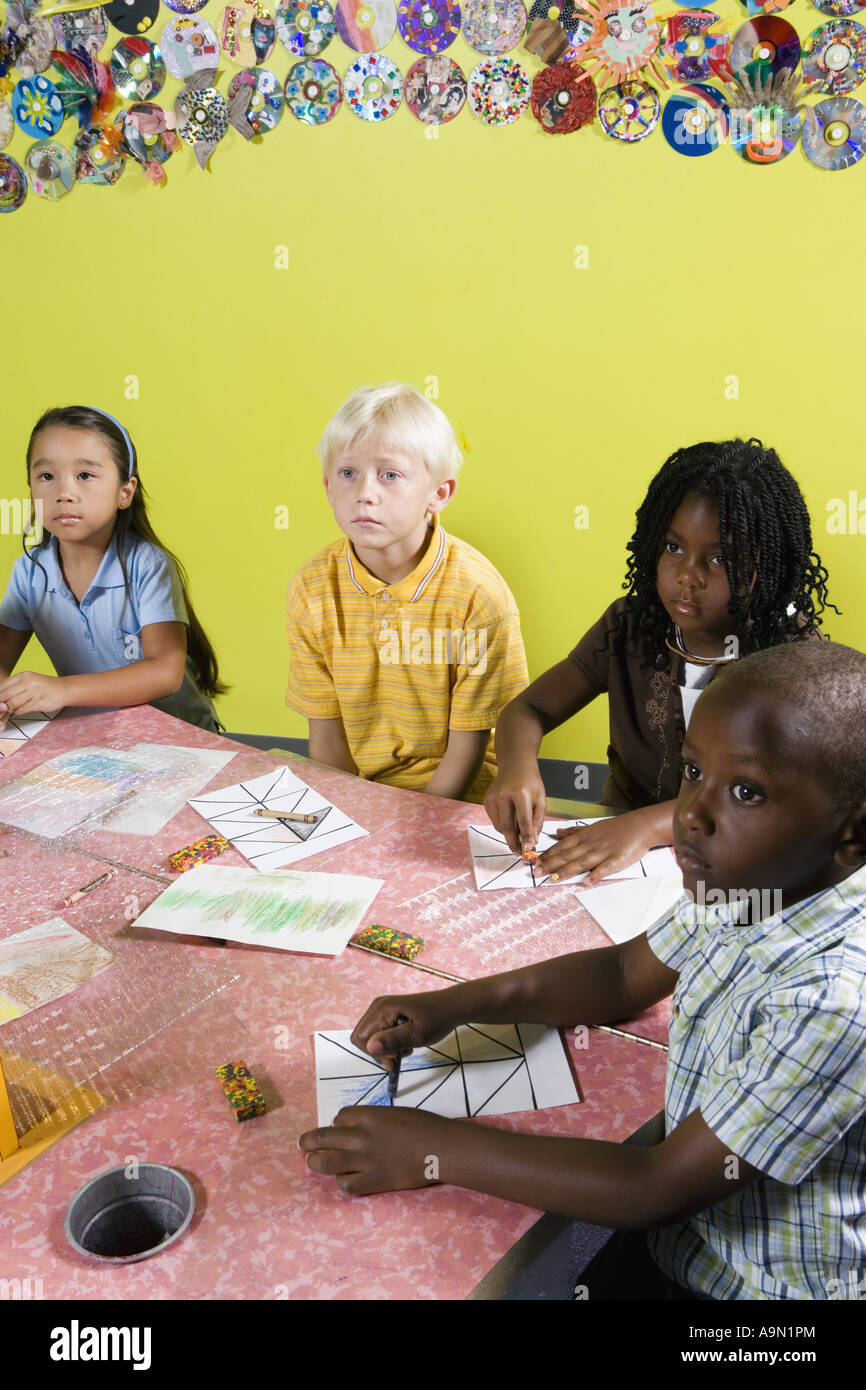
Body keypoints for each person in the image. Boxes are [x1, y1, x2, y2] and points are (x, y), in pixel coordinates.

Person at [300, 640, 866, 1300]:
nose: (691, 815)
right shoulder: (748, 880)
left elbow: (656, 1186)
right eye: (691, 771)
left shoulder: (835, 996)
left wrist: (434, 1151)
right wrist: (455, 1006)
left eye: (745, 791)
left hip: (757, 1294)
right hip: (685, 1242)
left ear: (854, 835)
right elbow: (624, 976)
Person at [485, 438, 834, 882]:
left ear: (766, 567)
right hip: (617, 847)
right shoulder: (631, 626)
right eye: (673, 548)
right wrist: (516, 766)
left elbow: (779, 792)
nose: (688, 574)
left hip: (739, 861)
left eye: (720, 558)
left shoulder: (792, 657)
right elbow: (528, 709)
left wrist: (644, 827)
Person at [285, 383, 528, 802]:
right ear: (328, 486)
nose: (364, 492)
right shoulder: (312, 589)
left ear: (439, 494)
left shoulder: (477, 595)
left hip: (460, 794)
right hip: (366, 791)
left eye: (390, 475)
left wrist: (414, 820)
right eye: (347, 473)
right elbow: (326, 739)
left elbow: (468, 747)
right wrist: (350, 812)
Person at [0, 405, 225, 733]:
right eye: (46, 476)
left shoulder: (149, 566)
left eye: (85, 476)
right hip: (99, 739)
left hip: (180, 740)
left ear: (125, 492)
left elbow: (166, 671)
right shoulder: (29, 572)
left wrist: (61, 690)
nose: (64, 493)